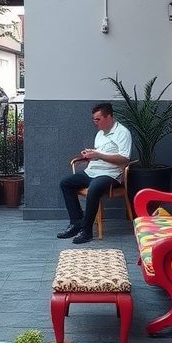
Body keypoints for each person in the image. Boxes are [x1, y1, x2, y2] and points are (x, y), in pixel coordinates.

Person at [57, 102, 132, 244]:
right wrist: (90, 155)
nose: (95, 122)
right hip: (92, 171)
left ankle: (86, 231)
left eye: (98, 119)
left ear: (108, 117)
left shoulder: (123, 133)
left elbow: (124, 159)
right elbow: (99, 154)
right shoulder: (99, 134)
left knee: (94, 188)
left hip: (110, 174)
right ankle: (76, 223)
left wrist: (98, 155)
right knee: (65, 183)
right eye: (94, 119)